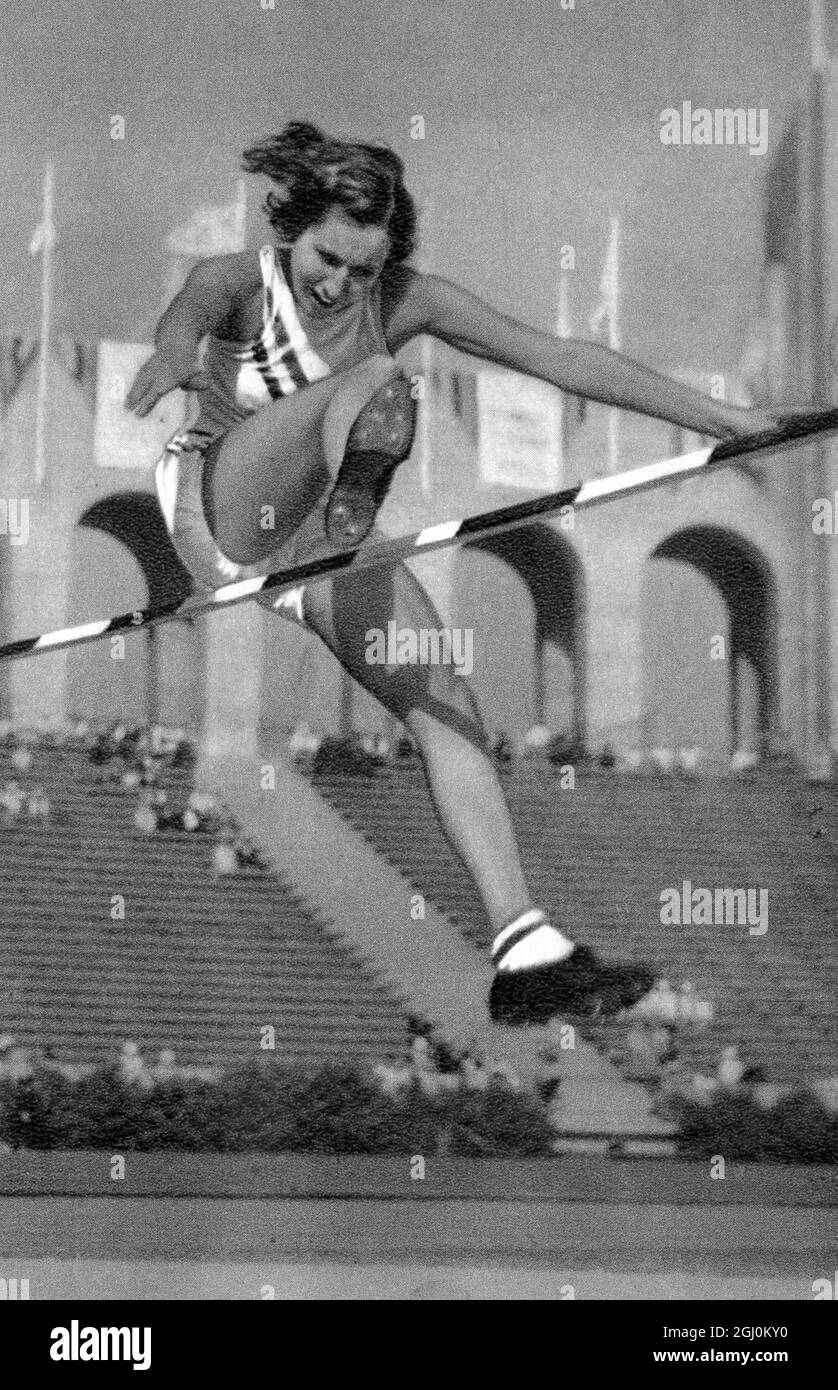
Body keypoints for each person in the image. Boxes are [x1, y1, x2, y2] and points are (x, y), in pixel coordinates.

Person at [128, 121, 776, 1027]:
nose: (339, 285)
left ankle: (524, 947)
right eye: (326, 258)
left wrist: (722, 417)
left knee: (447, 703)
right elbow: (187, 315)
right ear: (293, 226)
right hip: (221, 503)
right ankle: (357, 480)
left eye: (364, 269)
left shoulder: (407, 298)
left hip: (316, 545)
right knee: (375, 385)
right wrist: (170, 354)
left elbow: (562, 360)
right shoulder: (242, 280)